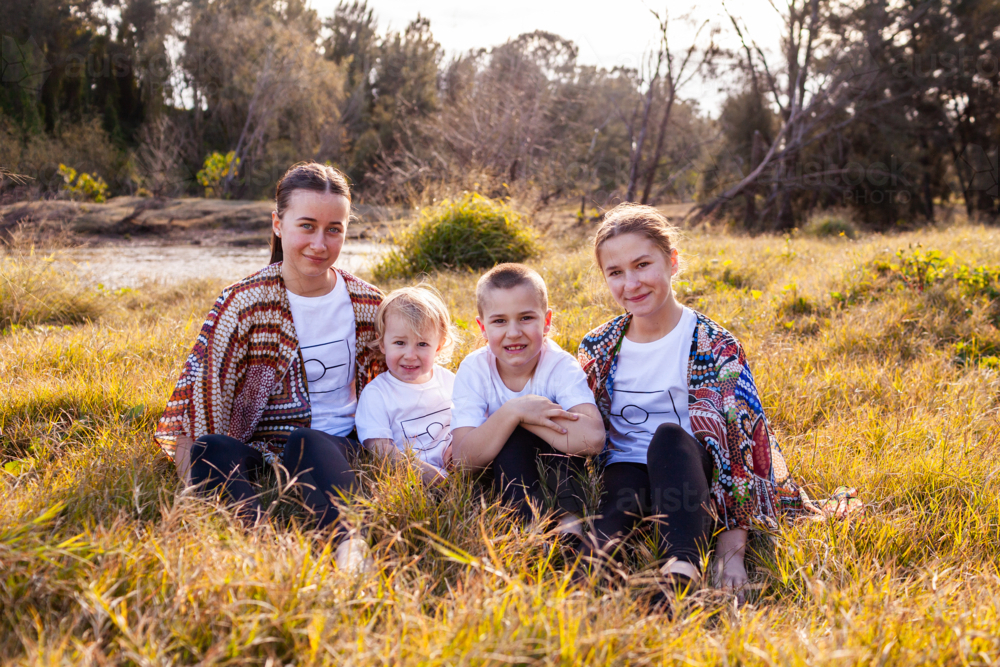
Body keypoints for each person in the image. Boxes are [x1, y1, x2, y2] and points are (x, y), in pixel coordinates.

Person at [155, 162, 385, 571]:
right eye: (307, 226)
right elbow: (207, 403)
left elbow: (403, 387)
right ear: (278, 224)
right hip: (263, 450)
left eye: (334, 229)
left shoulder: (367, 305)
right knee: (211, 448)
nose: (320, 242)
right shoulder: (243, 305)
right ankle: (256, 540)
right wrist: (195, 470)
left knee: (307, 440)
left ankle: (350, 548)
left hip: (337, 448)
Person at [578, 203, 815, 598]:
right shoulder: (598, 346)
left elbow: (744, 453)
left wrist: (731, 552)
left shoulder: (715, 345)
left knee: (668, 438)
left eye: (642, 265)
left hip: (690, 475)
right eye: (615, 273)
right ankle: (594, 574)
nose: (631, 283)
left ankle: (682, 567)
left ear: (672, 262)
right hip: (626, 476)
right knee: (611, 518)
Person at [450, 264, 605, 535]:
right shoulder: (474, 369)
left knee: (563, 442)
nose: (513, 332)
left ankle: (570, 524)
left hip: (558, 465)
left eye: (526, 318)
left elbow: (592, 438)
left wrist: (527, 417)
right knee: (512, 443)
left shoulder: (559, 366)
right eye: (499, 321)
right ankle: (529, 526)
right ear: (482, 327)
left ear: (546, 321)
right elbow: (463, 459)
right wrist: (513, 412)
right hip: (509, 469)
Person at [356, 285, 457, 486]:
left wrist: (457, 446)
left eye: (422, 344)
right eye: (400, 343)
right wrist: (430, 477)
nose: (410, 355)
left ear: (439, 345)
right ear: (383, 344)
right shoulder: (377, 394)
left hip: (460, 470)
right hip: (410, 479)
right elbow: (380, 450)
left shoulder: (449, 381)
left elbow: (467, 422)